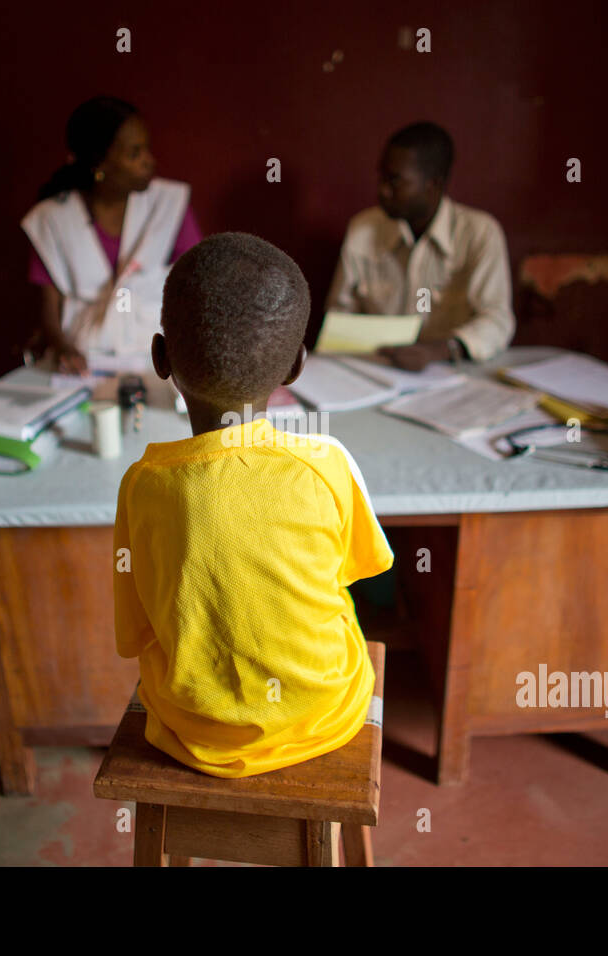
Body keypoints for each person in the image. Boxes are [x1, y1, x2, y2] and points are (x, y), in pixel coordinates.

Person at [113, 233, 394, 778]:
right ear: (295, 367)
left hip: (191, 729)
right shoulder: (326, 463)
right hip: (323, 716)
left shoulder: (142, 484)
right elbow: (356, 571)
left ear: (160, 357)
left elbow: (136, 630)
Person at [21, 96, 202, 372]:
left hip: (158, 358)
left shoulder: (168, 204)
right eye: (134, 153)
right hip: (82, 362)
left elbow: (198, 283)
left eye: (146, 149)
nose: (149, 161)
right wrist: (62, 348)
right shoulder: (53, 218)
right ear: (100, 163)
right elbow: (50, 307)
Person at [326, 121, 515, 370]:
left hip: (452, 372)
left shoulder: (480, 233)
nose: (382, 190)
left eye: (394, 181)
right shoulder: (362, 229)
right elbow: (340, 314)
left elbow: (498, 320)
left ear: (433, 184)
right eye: (381, 177)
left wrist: (439, 350)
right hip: (375, 369)